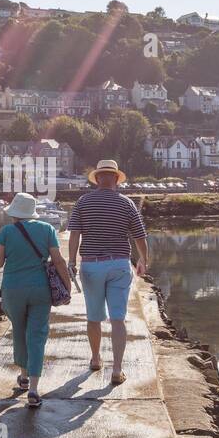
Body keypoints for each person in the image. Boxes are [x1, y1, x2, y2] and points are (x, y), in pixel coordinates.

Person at [67, 159, 148, 386]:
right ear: (115, 179)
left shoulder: (83, 202)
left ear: (97, 179)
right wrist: (143, 260)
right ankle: (117, 370)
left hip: (91, 265)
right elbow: (139, 236)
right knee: (117, 319)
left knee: (93, 317)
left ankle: (95, 359)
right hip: (119, 265)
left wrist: (72, 261)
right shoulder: (126, 204)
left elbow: (74, 235)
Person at [0, 192, 72, 407]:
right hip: (40, 289)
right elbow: (59, 261)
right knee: (37, 334)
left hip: (13, 289)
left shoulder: (6, 231)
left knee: (19, 329)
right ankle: (33, 389)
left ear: (14, 213)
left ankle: (23, 376)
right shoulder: (47, 229)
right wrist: (67, 285)